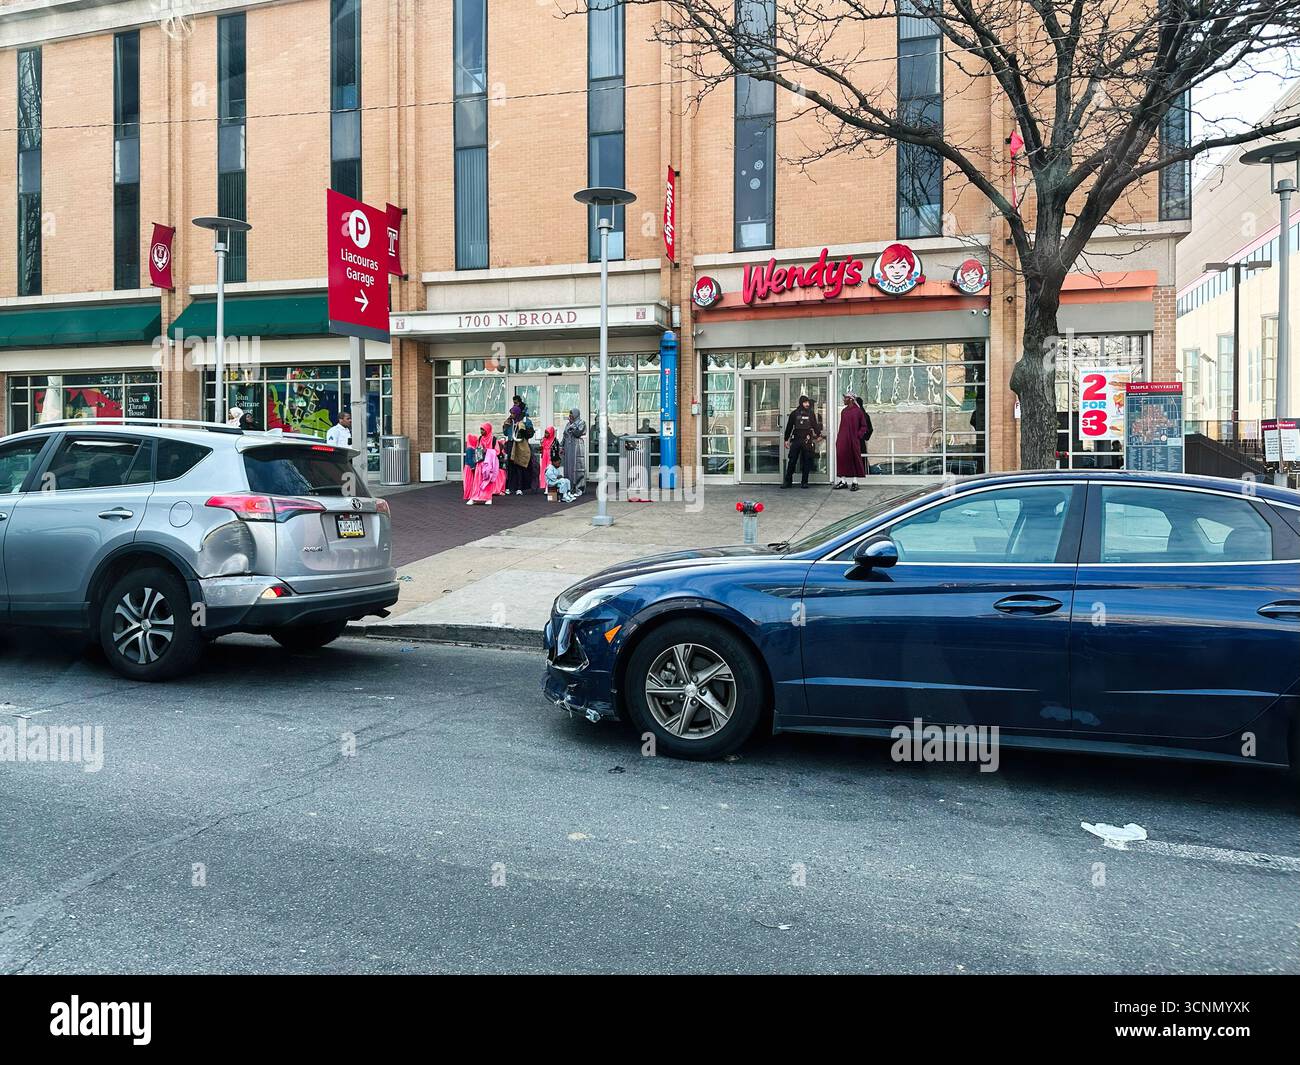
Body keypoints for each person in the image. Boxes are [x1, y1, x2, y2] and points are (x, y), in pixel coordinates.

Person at [782, 394, 823, 489]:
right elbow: (789, 427)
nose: (807, 404)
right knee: (792, 461)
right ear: (801, 403)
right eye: (805, 402)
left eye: (808, 402)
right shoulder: (794, 413)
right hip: (796, 439)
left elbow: (815, 425)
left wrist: (819, 435)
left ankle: (804, 482)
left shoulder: (811, 413)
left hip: (807, 439)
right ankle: (788, 481)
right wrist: (786, 439)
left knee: (806, 461)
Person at [834, 391, 872, 492]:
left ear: (851, 399)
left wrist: (858, 436)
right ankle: (843, 481)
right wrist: (839, 438)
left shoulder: (858, 411)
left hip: (853, 439)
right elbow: (842, 426)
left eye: (845, 398)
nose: (843, 399)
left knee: (854, 459)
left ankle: (855, 482)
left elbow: (864, 426)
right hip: (843, 439)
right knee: (842, 458)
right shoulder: (844, 411)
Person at [466, 422, 499, 505]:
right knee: (477, 481)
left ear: (487, 430)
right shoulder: (480, 438)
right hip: (480, 463)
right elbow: (477, 448)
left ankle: (488, 498)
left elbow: (497, 451)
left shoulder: (493, 439)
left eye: (483, 430)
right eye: (480, 429)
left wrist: (487, 451)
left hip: (489, 464)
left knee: (487, 480)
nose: (481, 431)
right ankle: (474, 498)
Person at [506, 405, 536, 494]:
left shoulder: (525, 421)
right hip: (511, 444)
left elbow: (530, 433)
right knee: (510, 466)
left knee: (519, 466)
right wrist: (506, 426)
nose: (511, 415)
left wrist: (523, 431)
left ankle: (520, 487)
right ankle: (510, 487)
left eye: (513, 413)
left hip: (521, 445)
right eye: (511, 413)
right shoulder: (510, 421)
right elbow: (506, 433)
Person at [562, 408, 587, 494]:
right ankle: (569, 487)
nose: (570, 416)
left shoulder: (581, 423)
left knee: (577, 466)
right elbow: (564, 435)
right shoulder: (568, 424)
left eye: (572, 414)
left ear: (576, 414)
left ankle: (578, 487)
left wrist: (573, 427)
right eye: (569, 414)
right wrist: (562, 446)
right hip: (568, 447)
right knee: (568, 466)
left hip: (577, 446)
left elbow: (578, 433)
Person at [538, 425, 557, 491]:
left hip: (550, 456)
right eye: (545, 432)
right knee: (544, 470)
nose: (545, 434)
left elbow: (556, 450)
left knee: (550, 470)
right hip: (544, 456)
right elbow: (541, 448)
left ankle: (549, 486)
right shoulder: (544, 439)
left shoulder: (554, 441)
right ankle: (544, 485)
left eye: (547, 433)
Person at [462, 431, 480, 501]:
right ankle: (469, 494)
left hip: (468, 467)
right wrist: (473, 467)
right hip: (469, 468)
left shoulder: (470, 448)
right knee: (469, 482)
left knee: (469, 482)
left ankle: (469, 494)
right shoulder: (470, 449)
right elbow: (470, 459)